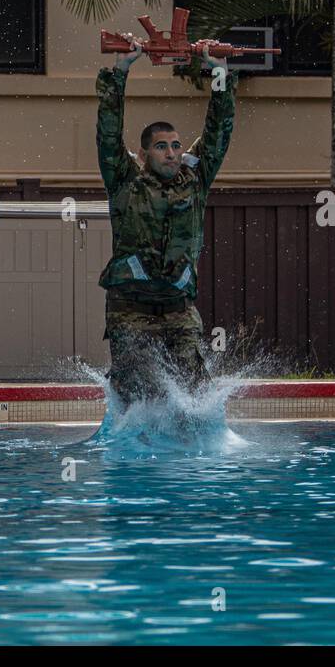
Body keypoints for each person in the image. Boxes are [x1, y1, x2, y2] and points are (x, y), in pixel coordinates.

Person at [95, 36, 236, 406]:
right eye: (162, 147)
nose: (172, 154)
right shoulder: (125, 182)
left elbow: (219, 132)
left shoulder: (196, 179)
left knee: (196, 393)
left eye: (176, 146)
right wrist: (121, 72)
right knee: (140, 393)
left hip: (178, 311)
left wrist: (219, 74)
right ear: (143, 153)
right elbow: (108, 134)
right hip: (130, 310)